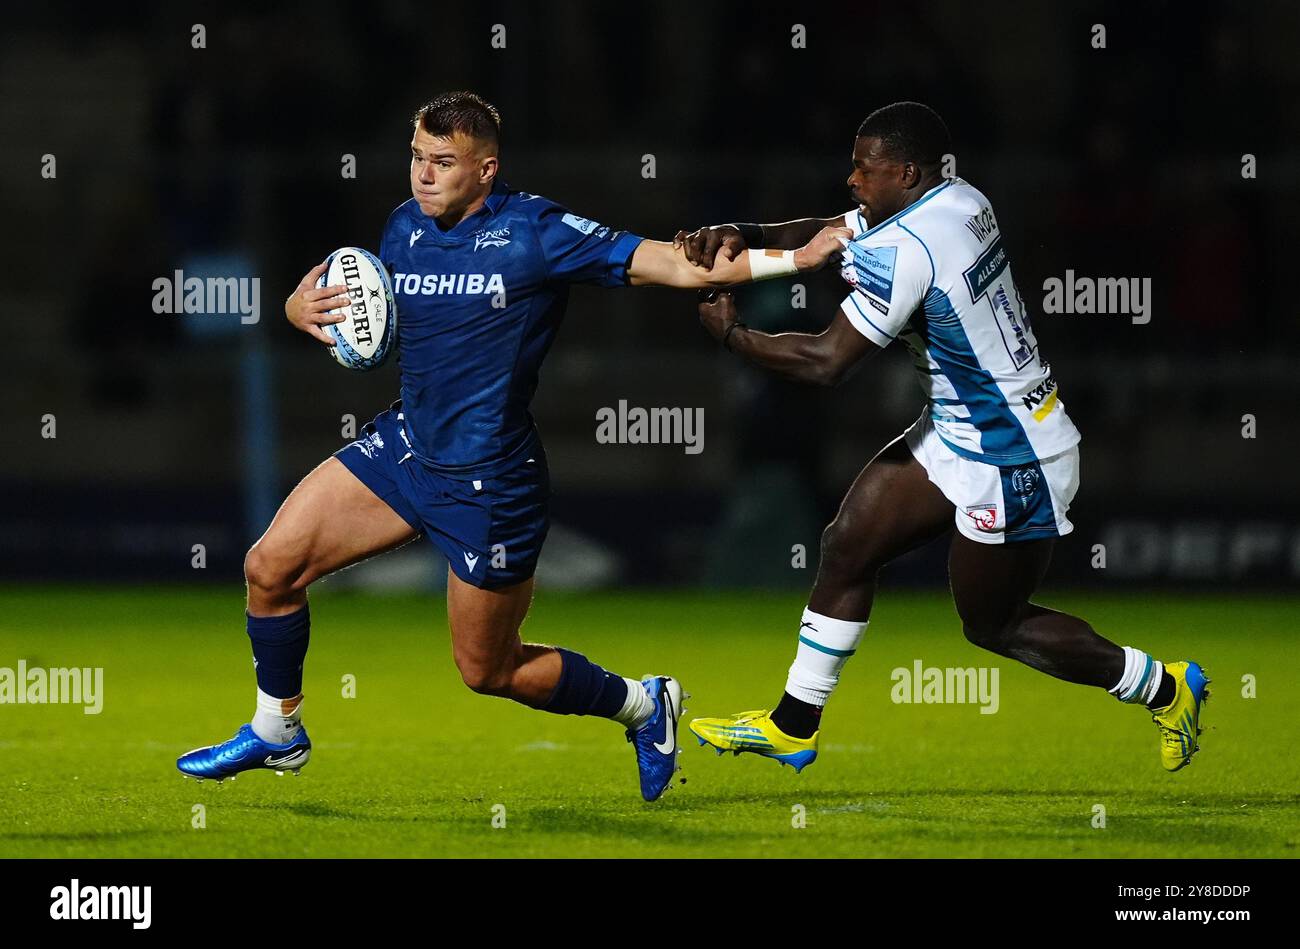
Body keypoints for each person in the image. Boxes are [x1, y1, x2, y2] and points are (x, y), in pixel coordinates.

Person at [176, 90, 847, 802]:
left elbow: (676, 265)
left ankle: (645, 705)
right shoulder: (403, 227)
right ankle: (278, 730)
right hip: (406, 449)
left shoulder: (536, 230)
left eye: (443, 161)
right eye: (416, 157)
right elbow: (355, 312)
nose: (422, 175)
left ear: (487, 168)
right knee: (270, 565)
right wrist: (294, 308)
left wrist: (797, 257)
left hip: (490, 483)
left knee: (487, 670)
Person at [679, 102, 1209, 775]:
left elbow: (825, 362)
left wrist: (731, 334)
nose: (850, 180)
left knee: (994, 624)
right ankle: (793, 725)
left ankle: (1164, 684)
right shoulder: (956, 197)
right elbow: (827, 232)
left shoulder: (908, 250)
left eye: (862, 168)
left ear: (903, 172)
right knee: (848, 542)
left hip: (1012, 453)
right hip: (963, 427)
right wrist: (744, 232)